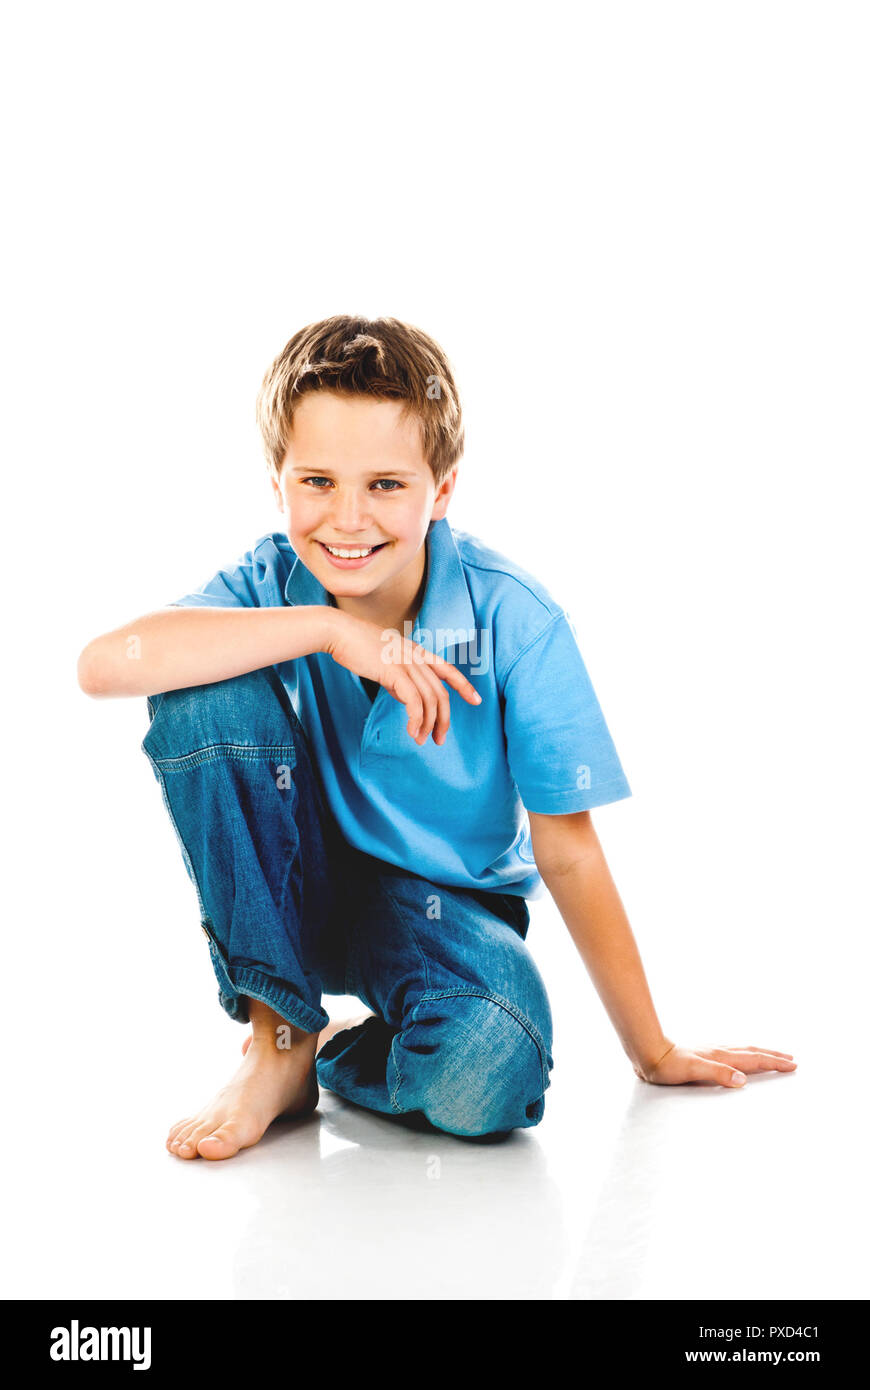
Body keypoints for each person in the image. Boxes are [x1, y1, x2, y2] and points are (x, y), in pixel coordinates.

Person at [77, 314, 797, 1160]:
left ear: (442, 488)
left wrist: (653, 1048)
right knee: (202, 692)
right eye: (318, 481)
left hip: (439, 912)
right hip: (292, 889)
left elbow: (567, 848)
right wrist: (329, 631)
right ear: (278, 482)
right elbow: (104, 664)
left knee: (493, 1066)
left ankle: (343, 1051)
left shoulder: (510, 618)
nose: (347, 519)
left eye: (386, 484)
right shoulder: (271, 584)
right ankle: (280, 1043)